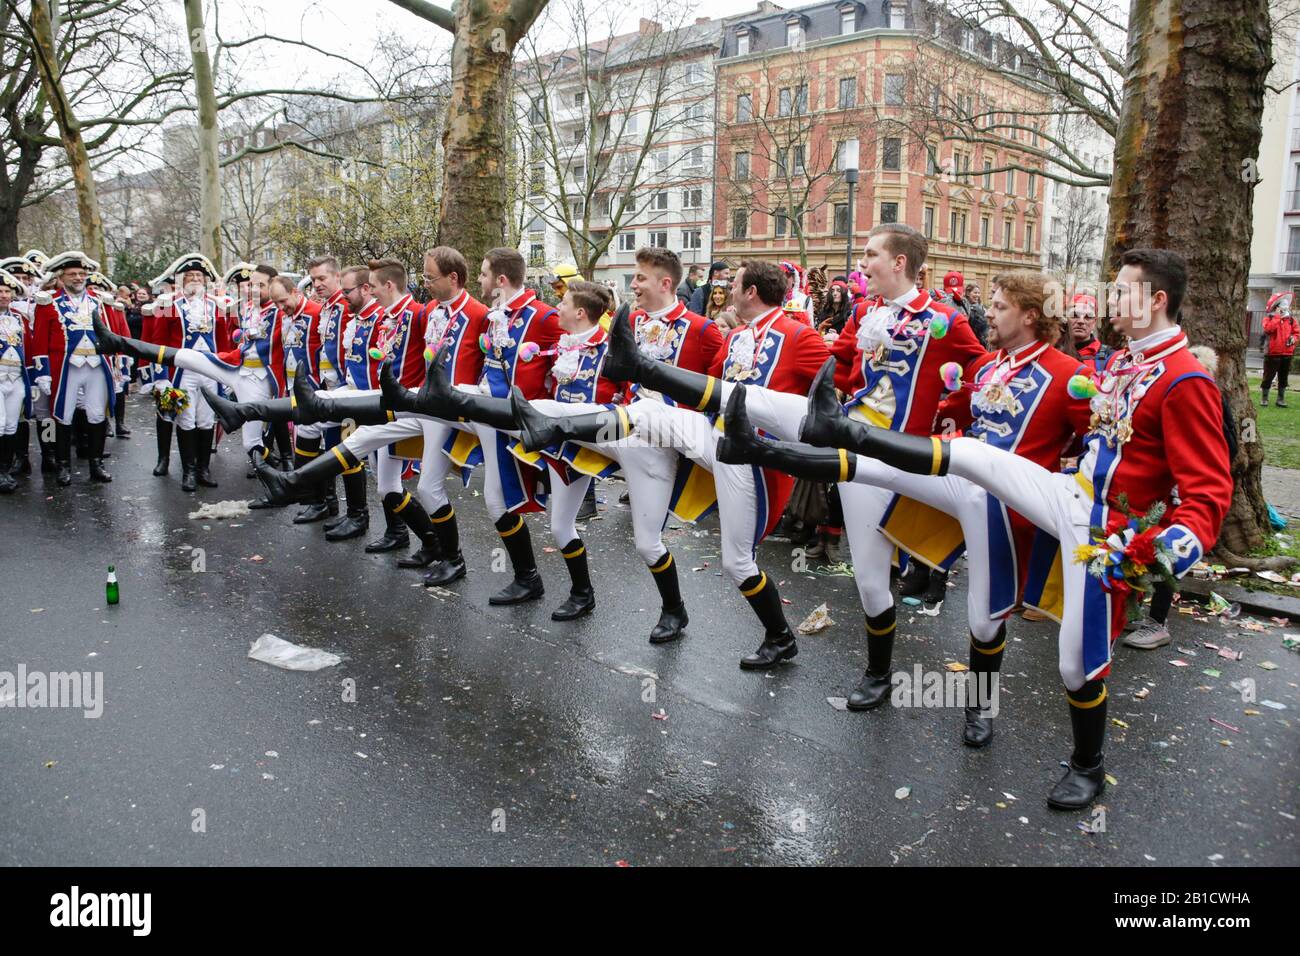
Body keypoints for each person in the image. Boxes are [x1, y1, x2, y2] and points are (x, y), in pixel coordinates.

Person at [789, 247, 1233, 810]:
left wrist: (1159, 554)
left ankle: (1088, 766)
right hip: (1062, 498)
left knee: (1076, 662)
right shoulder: (1125, 363)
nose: (1107, 298)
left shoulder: (1183, 379)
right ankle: (817, 437)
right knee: (970, 458)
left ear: (1156, 300)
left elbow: (1209, 494)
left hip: (1106, 533)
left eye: (1120, 289)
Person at [712, 269, 1093, 748]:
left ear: (1030, 315)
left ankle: (980, 707)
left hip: (1003, 506)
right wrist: (944, 406)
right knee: (869, 474)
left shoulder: (1070, 375)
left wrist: (1069, 489)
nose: (989, 314)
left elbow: (1096, 445)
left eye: (998, 307)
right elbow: (954, 400)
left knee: (984, 617)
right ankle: (878, 672)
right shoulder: (991, 365)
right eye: (990, 305)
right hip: (954, 477)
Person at [512, 259, 830, 668]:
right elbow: (708, 387)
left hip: (751, 456)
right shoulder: (734, 339)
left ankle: (780, 636)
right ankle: (527, 418)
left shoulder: (784, 335)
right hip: (691, 437)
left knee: (736, 560)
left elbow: (827, 399)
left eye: (733, 284)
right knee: (642, 421)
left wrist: (807, 451)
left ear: (750, 292)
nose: (726, 290)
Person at [30, 251, 132, 486]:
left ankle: (96, 464)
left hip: (96, 365)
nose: (78, 277)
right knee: (62, 416)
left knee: (97, 414)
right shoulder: (49, 303)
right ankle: (63, 465)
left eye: (82, 273)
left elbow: (112, 335)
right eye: (72, 274)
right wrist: (42, 371)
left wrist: (118, 365)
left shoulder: (100, 301)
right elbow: (40, 340)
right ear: (61, 276)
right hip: (66, 367)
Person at [0, 269, 33, 493]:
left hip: (17, 377)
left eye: (7, 291)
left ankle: (4, 470)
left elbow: (28, 348)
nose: (3, 295)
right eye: (0, 291)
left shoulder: (19, 318)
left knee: (12, 424)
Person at [1262, 292, 1298, 407]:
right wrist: (1277, 317)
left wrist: (1294, 338)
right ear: (1276, 307)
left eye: (1286, 305)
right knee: (1268, 377)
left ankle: (1280, 399)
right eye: (1282, 306)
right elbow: (1268, 329)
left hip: (1287, 353)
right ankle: (1264, 398)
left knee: (1283, 378)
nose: (1285, 308)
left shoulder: (1291, 320)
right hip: (1272, 353)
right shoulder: (1269, 318)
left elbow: (1297, 333)